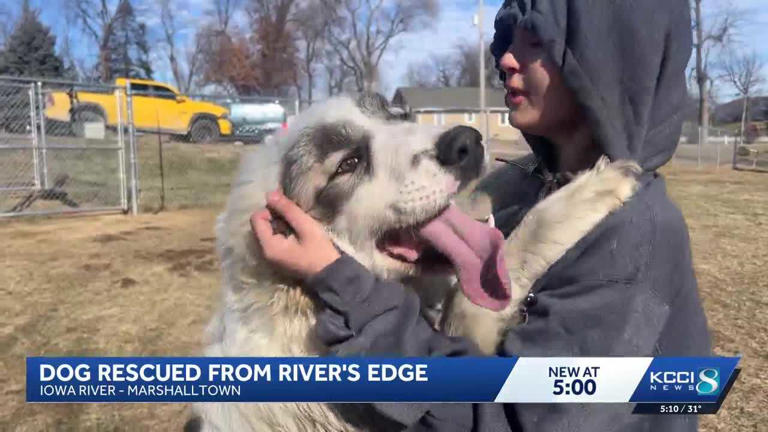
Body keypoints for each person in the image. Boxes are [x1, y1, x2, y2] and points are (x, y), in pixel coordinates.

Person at [251, 0, 711, 430]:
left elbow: (504, 417)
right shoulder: (519, 189)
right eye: (508, 38)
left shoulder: (632, 234)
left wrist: (339, 280)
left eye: (536, 40)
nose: (507, 58)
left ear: (611, 61)